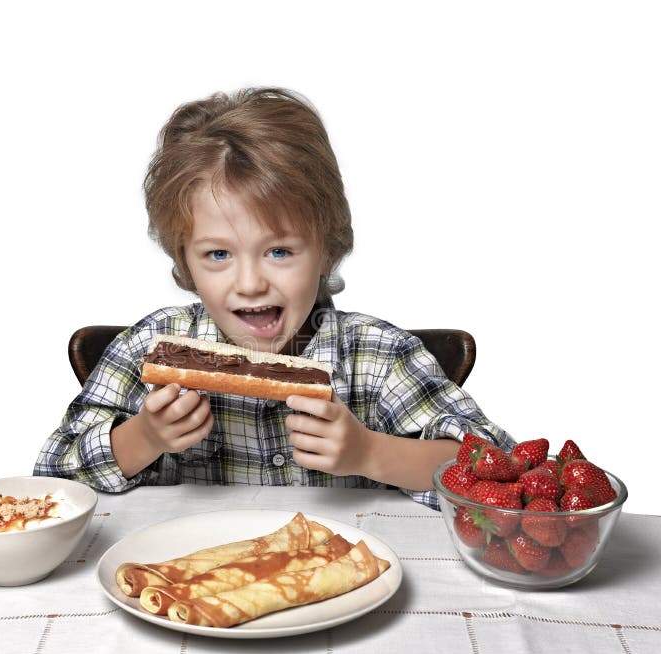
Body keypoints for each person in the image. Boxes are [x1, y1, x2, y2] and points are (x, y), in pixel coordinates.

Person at [34, 87, 513, 509]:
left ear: (326, 249)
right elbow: (50, 479)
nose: (249, 284)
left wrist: (371, 453)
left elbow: (497, 470)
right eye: (217, 253)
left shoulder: (378, 355)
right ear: (184, 259)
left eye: (279, 251)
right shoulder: (149, 347)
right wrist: (143, 438)